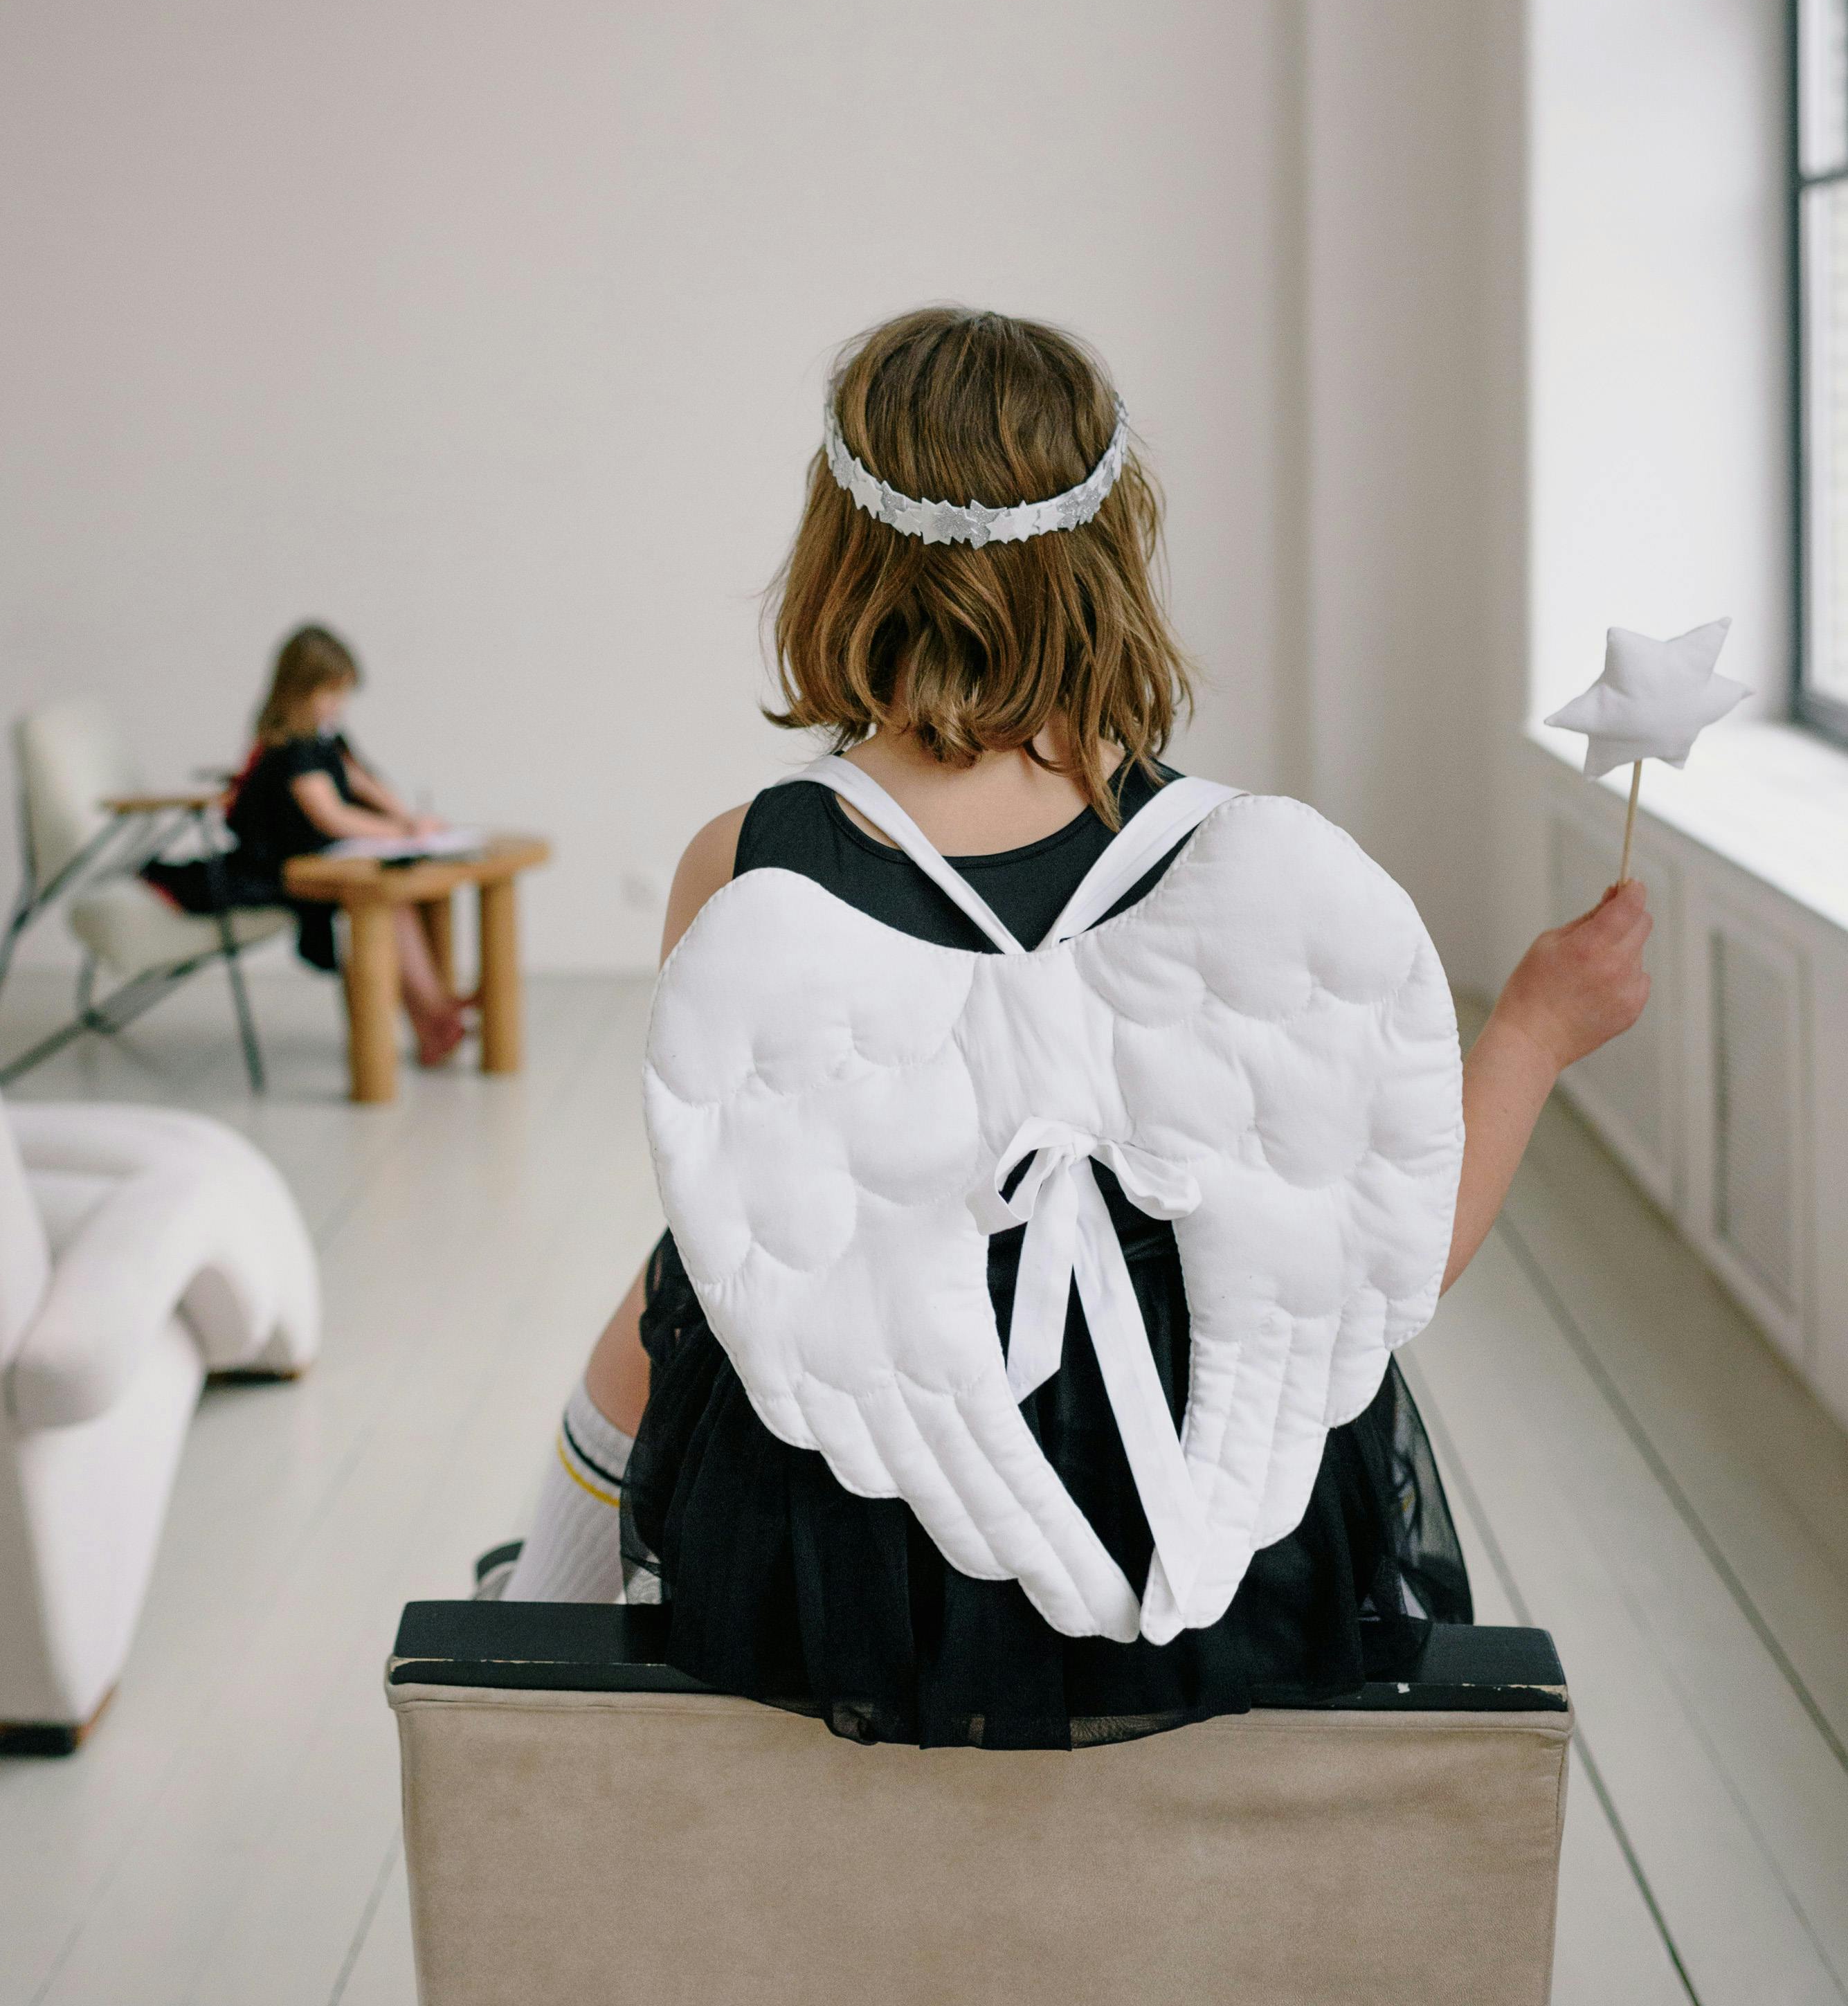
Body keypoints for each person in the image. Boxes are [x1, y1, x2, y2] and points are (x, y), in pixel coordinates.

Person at [493, 307, 1654, 1751]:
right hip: (1220, 1549)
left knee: (696, 1267)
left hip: (861, 1555)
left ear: (843, 551)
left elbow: (759, 1243)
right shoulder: (1252, 874)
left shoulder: (750, 866)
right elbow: (1387, 1249)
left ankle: (536, 1617)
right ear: (1114, 548)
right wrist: (1534, 1026)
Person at [144, 623, 469, 1067]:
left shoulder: (326, 741)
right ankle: (436, 1013)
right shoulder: (289, 748)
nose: (337, 706)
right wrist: (403, 834)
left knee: (407, 894)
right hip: (275, 871)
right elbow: (330, 815)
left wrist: (410, 820)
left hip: (324, 865)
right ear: (299, 690)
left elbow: (363, 783)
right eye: (329, 694)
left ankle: (432, 1020)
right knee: (387, 903)